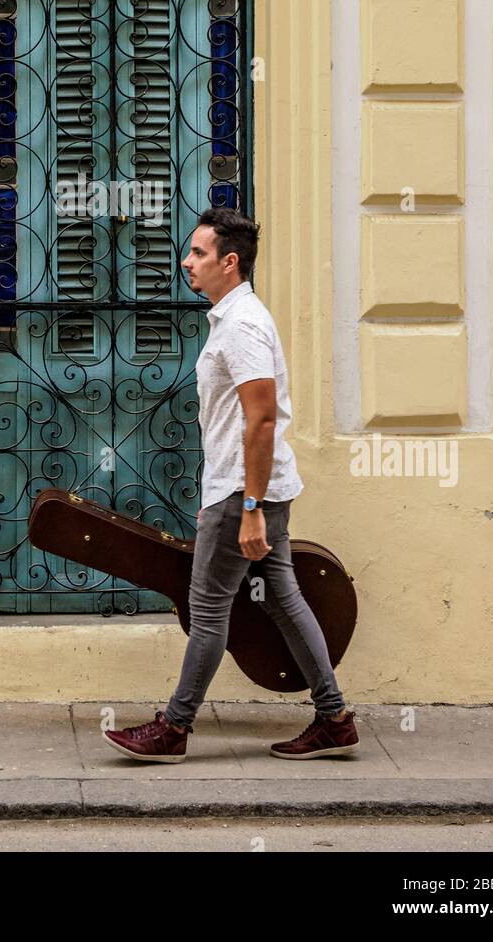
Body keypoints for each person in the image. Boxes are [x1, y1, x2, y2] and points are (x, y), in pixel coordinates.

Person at [103, 207, 358, 763]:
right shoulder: (236, 318)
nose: (186, 262)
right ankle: (335, 718)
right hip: (260, 488)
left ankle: (173, 727)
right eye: (190, 252)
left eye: (198, 253)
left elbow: (260, 418)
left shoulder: (241, 326)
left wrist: (248, 507)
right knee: (285, 601)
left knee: (209, 608)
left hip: (240, 492)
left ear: (230, 261)